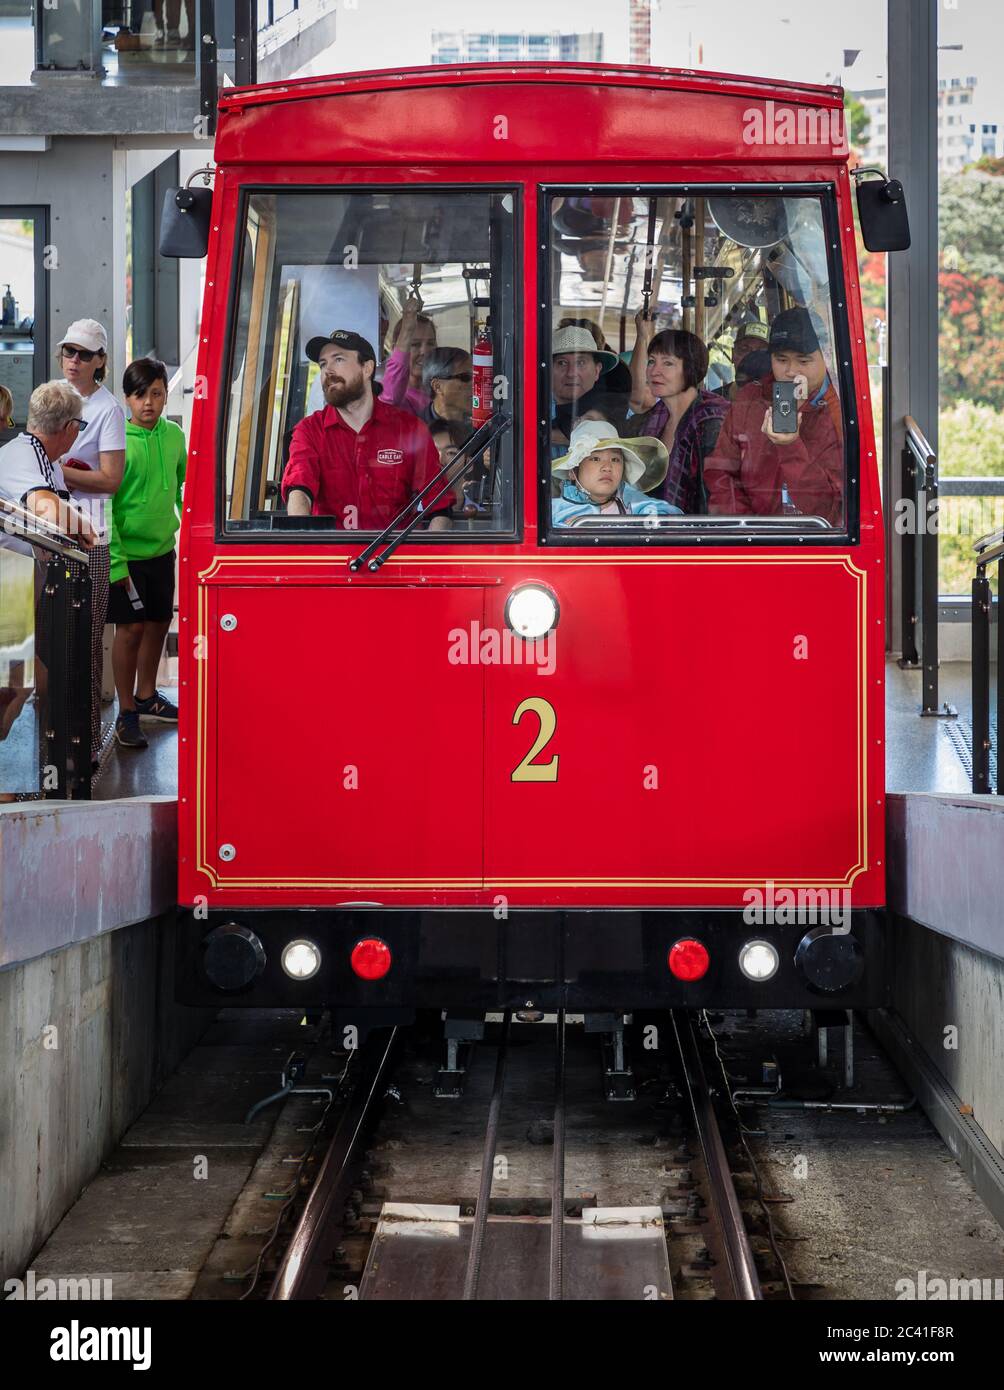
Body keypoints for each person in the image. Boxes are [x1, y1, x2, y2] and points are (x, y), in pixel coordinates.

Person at [282, 329, 452, 531]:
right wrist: (303, 544)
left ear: (367, 368)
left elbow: (439, 508)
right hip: (330, 557)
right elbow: (299, 490)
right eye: (323, 364)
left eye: (338, 360)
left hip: (393, 557)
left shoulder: (410, 429)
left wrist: (424, 559)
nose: (327, 371)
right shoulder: (309, 431)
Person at [54, 319, 125, 765]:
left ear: (100, 360)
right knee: (52, 642)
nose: (74, 361)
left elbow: (111, 480)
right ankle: (57, 735)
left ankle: (86, 741)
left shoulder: (108, 410)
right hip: (48, 534)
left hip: (90, 538)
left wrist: (59, 470)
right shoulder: (54, 397)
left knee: (85, 639)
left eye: (84, 354)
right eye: (69, 352)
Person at [107, 358, 186, 750]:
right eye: (140, 395)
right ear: (128, 399)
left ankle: (147, 694)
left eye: (156, 393)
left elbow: (185, 483)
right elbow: (106, 503)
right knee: (130, 630)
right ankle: (126, 711)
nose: (148, 403)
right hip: (127, 557)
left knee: (157, 624)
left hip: (162, 551)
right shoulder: (117, 440)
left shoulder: (174, 436)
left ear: (166, 394)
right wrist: (117, 561)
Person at [704, 307, 844, 525]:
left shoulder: (841, 410)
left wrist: (791, 446)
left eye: (803, 361)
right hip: (755, 539)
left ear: (826, 355)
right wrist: (749, 529)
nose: (791, 371)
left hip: (819, 543)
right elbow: (720, 473)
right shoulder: (750, 399)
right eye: (781, 359)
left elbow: (829, 510)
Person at [635, 328, 727, 514]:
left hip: (696, 536)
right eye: (651, 361)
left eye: (668, 363)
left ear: (691, 369)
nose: (655, 371)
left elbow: (715, 500)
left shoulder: (711, 423)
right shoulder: (654, 418)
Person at [0, 381, 97, 547]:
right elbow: (50, 511)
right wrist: (83, 525)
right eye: (79, 425)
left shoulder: (50, 461)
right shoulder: (21, 454)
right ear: (69, 427)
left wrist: (79, 520)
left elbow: (69, 506)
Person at [551, 419, 679, 526]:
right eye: (595, 459)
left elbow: (672, 519)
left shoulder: (634, 502)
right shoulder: (554, 511)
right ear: (573, 471)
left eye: (615, 459)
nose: (607, 467)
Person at [550, 324, 625, 454]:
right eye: (562, 362)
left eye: (581, 363)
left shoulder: (616, 408)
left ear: (597, 371)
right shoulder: (530, 405)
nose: (571, 373)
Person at [381, 294, 437, 418]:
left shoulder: (443, 390)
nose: (424, 351)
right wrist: (407, 329)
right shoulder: (397, 396)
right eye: (415, 344)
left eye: (431, 343)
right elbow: (390, 397)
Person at [422, 348, 473, 430]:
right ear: (437, 386)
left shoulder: (480, 426)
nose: (474, 384)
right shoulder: (415, 429)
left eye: (476, 377)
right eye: (466, 377)